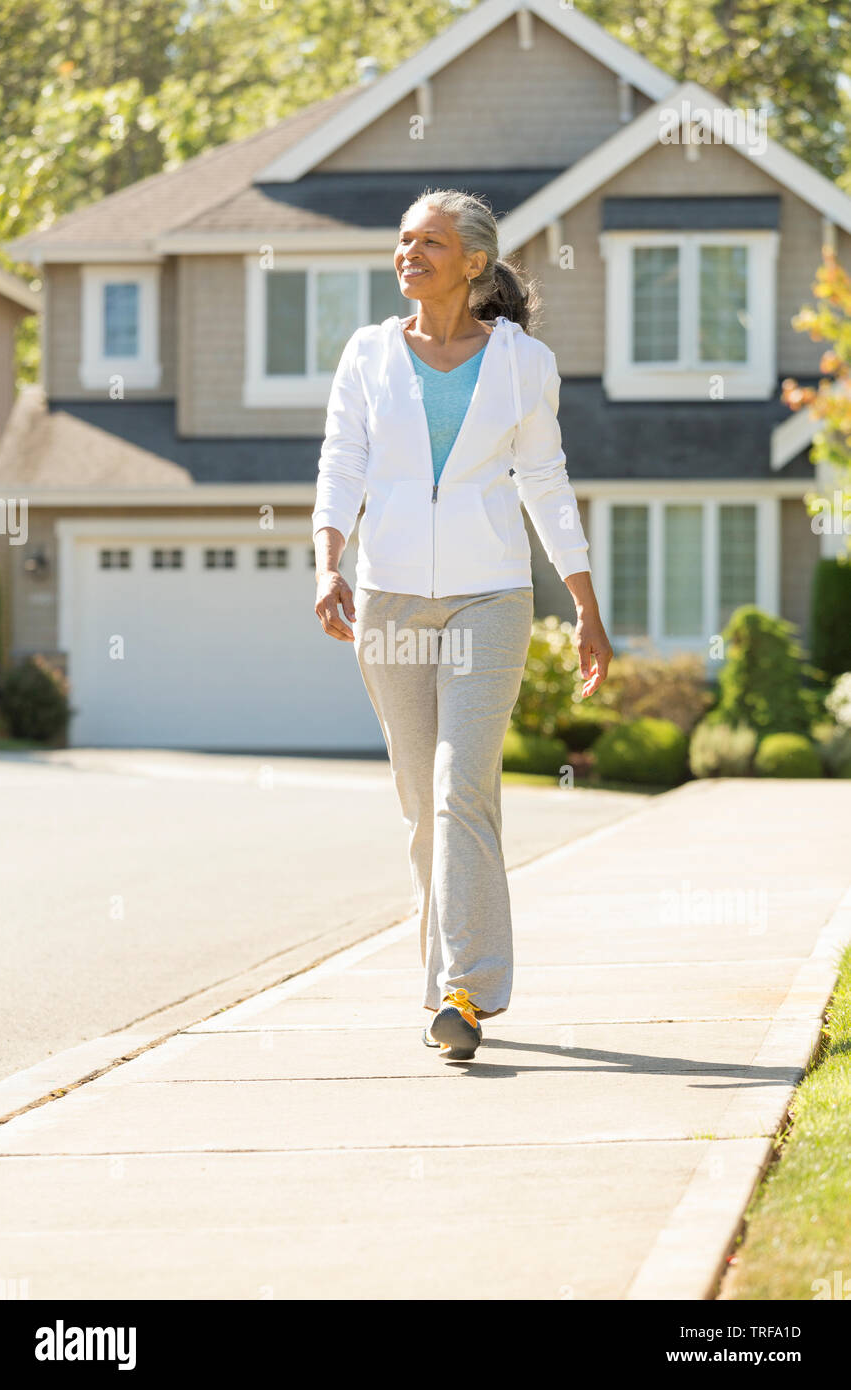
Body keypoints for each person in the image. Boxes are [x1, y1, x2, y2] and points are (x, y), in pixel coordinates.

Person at [312, 188, 612, 1061]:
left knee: (461, 787)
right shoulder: (368, 355)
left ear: (473, 261)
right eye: (405, 240)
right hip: (392, 598)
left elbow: (546, 484)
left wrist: (585, 602)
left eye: (431, 242)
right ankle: (441, 983)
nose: (411, 254)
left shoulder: (522, 364)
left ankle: (465, 993)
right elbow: (343, 460)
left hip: (490, 597)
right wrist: (328, 561)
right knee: (422, 808)